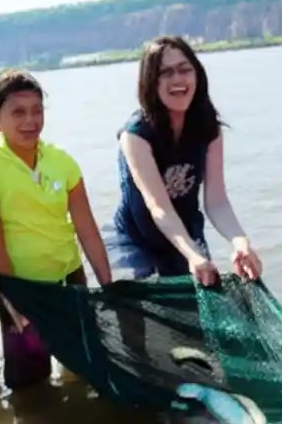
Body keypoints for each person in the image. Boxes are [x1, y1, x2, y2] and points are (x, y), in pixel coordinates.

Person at [0, 69, 113, 389]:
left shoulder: (63, 161)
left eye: (37, 111)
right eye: (18, 112)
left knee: (83, 371)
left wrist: (109, 287)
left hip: (70, 281)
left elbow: (87, 230)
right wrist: (13, 304)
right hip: (21, 291)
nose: (30, 121)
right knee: (30, 387)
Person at [105, 35, 261, 286]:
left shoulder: (209, 129)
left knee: (202, 302)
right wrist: (192, 255)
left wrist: (240, 241)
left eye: (184, 69)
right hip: (139, 240)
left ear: (197, 76)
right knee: (148, 318)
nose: (177, 79)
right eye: (165, 73)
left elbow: (217, 201)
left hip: (188, 229)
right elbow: (159, 207)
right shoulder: (135, 135)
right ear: (150, 83)